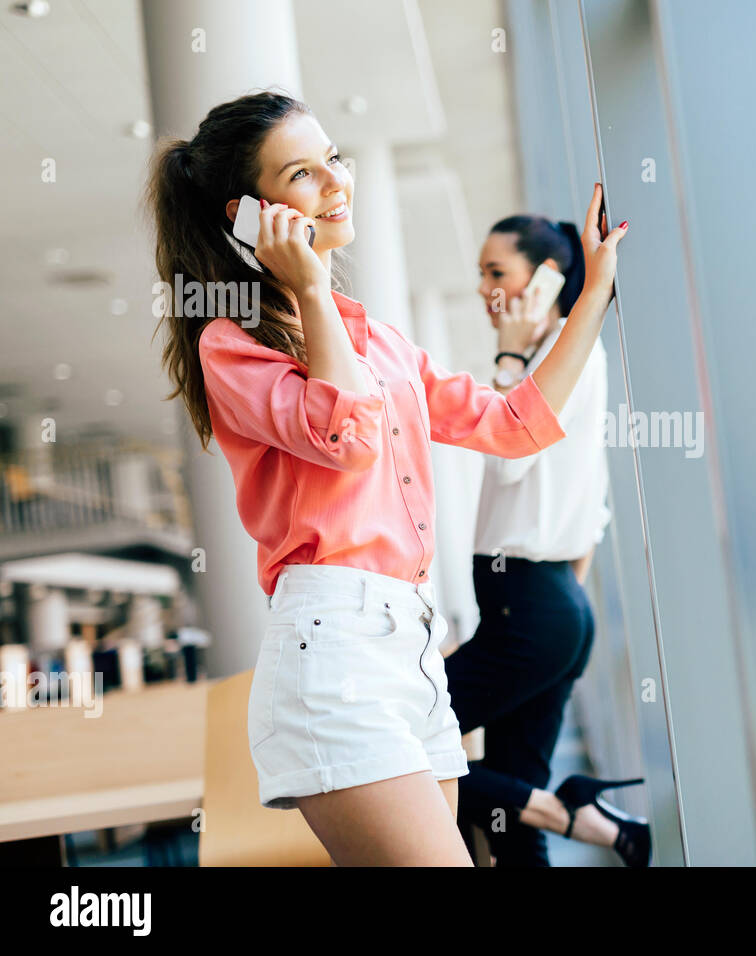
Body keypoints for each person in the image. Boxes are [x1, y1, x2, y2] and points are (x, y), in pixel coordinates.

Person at [146, 90, 627, 866]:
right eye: (303, 173)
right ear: (250, 215)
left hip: (410, 644)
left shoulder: (376, 337)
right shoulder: (232, 346)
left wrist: (593, 296)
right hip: (330, 649)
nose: (337, 182)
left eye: (334, 156)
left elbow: (511, 426)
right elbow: (348, 436)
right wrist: (306, 287)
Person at [443, 215, 651, 866]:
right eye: (480, 273)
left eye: (496, 272)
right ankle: (567, 810)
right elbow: (594, 511)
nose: (483, 288)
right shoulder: (570, 353)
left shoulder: (555, 356)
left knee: (393, 745)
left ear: (547, 279)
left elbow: (508, 457)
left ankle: (572, 813)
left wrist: (506, 354)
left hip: (534, 611)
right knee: (510, 832)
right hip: (552, 606)